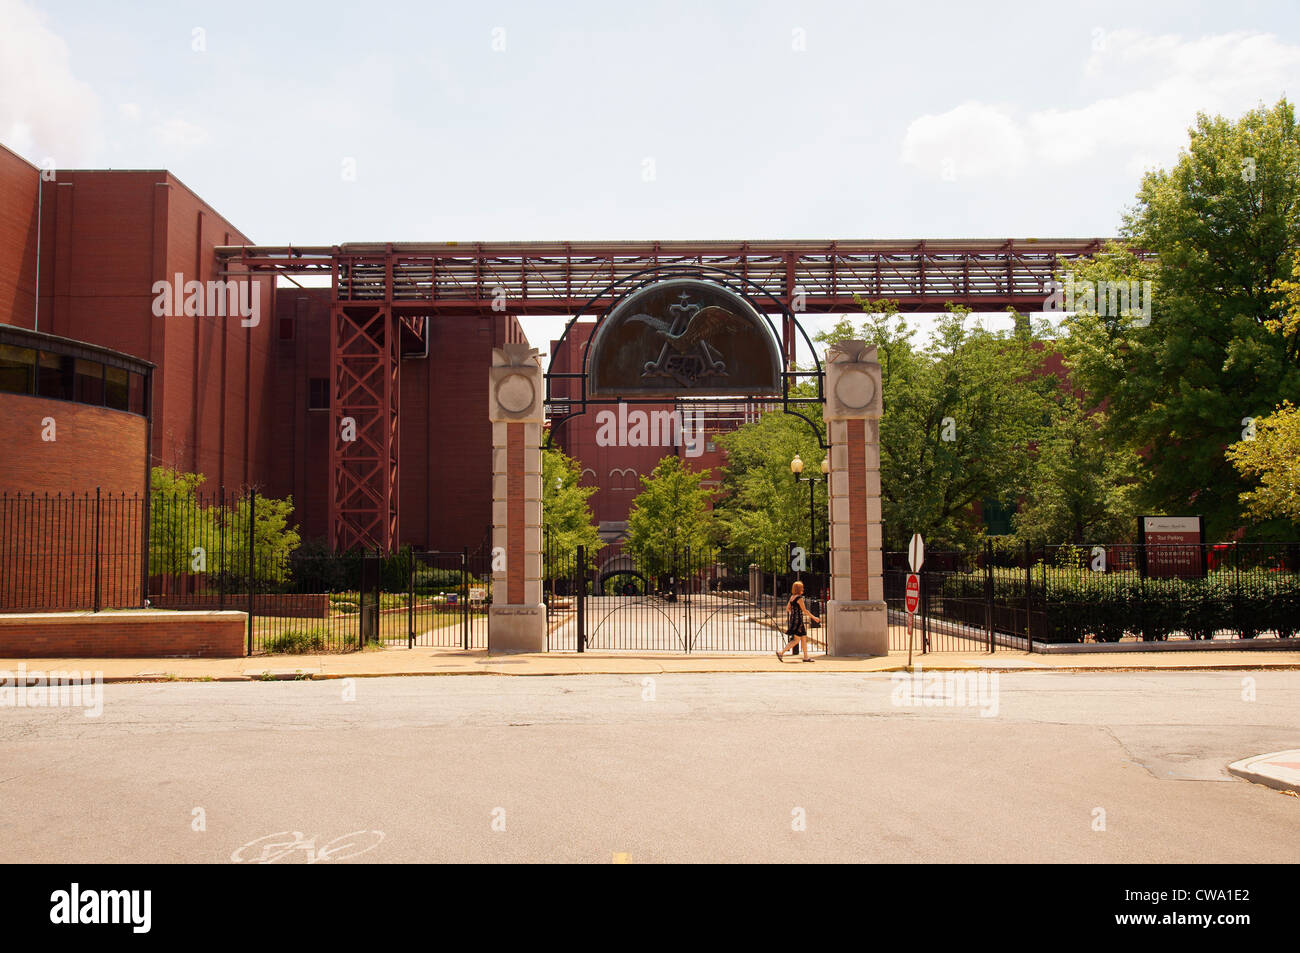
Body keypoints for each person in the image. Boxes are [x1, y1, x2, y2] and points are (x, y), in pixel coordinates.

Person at [777, 581, 821, 662]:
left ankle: (806, 657)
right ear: (799, 589)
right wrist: (814, 618)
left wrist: (794, 613)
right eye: (802, 588)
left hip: (794, 619)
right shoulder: (799, 598)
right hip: (798, 621)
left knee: (803, 638)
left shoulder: (792, 597)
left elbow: (788, 609)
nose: (803, 589)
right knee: (796, 640)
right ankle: (781, 652)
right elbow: (805, 610)